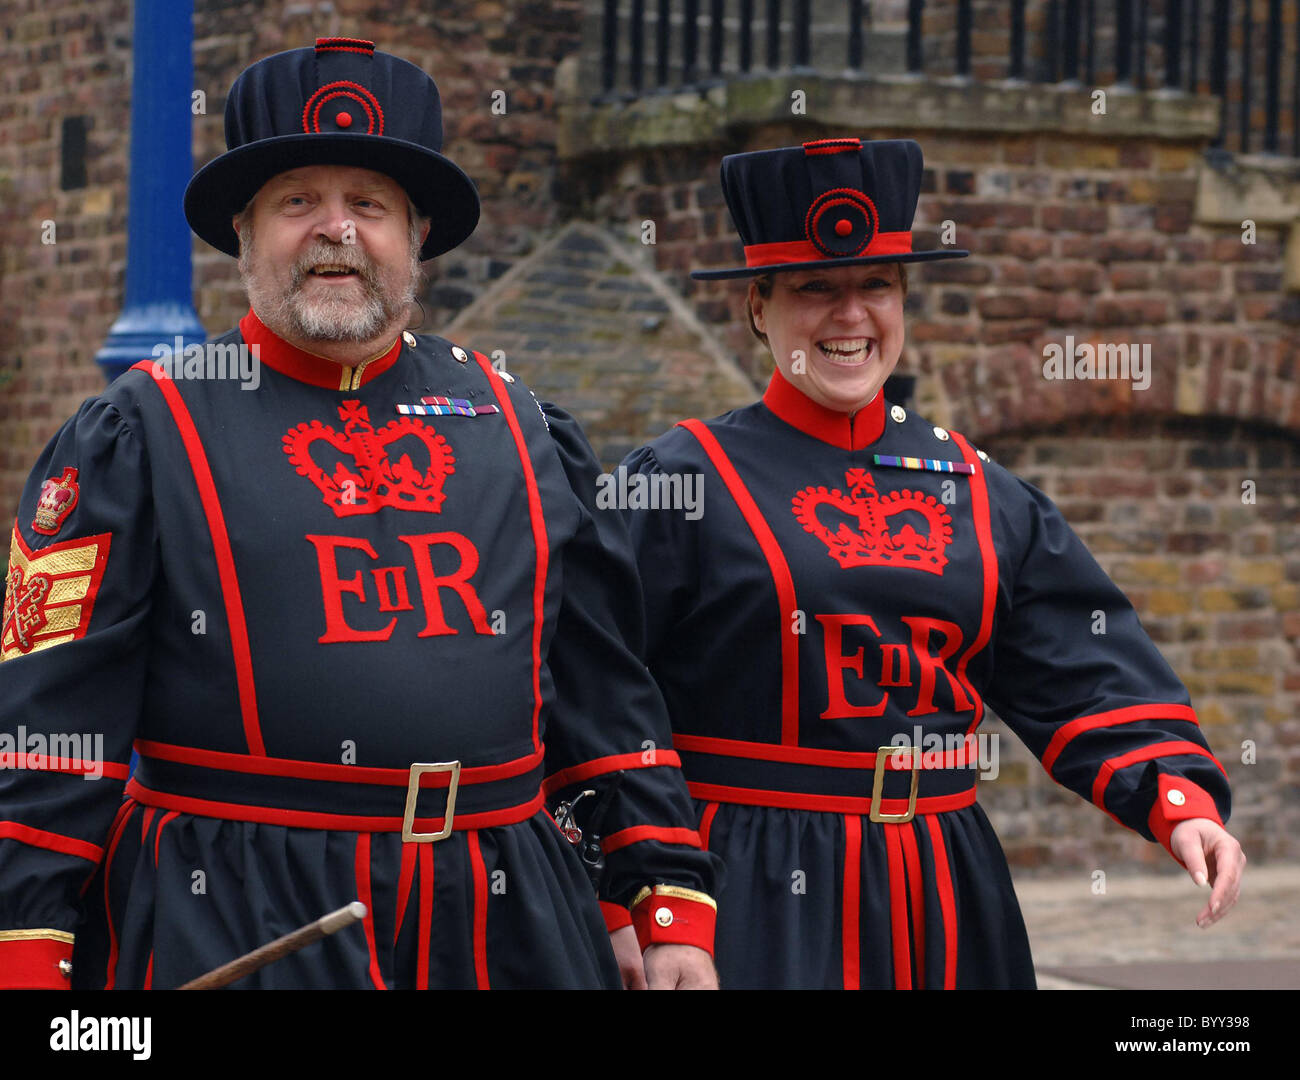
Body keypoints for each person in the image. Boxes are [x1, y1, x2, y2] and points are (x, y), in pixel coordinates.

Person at [0, 37, 720, 990]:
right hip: (239, 911)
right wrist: (29, 953)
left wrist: (661, 900)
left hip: (504, 914)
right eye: (298, 201)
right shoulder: (138, 433)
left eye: (369, 205)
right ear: (245, 232)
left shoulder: (526, 430)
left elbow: (603, 693)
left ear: (416, 235)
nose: (335, 229)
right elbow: (51, 729)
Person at [618, 137, 1245, 989]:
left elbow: (1078, 662)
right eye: (815, 288)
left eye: (875, 285)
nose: (850, 316)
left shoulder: (980, 489)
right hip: (752, 880)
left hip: (945, 883)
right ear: (758, 307)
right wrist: (634, 899)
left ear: (904, 299)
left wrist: (1176, 799)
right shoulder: (679, 480)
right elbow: (597, 695)